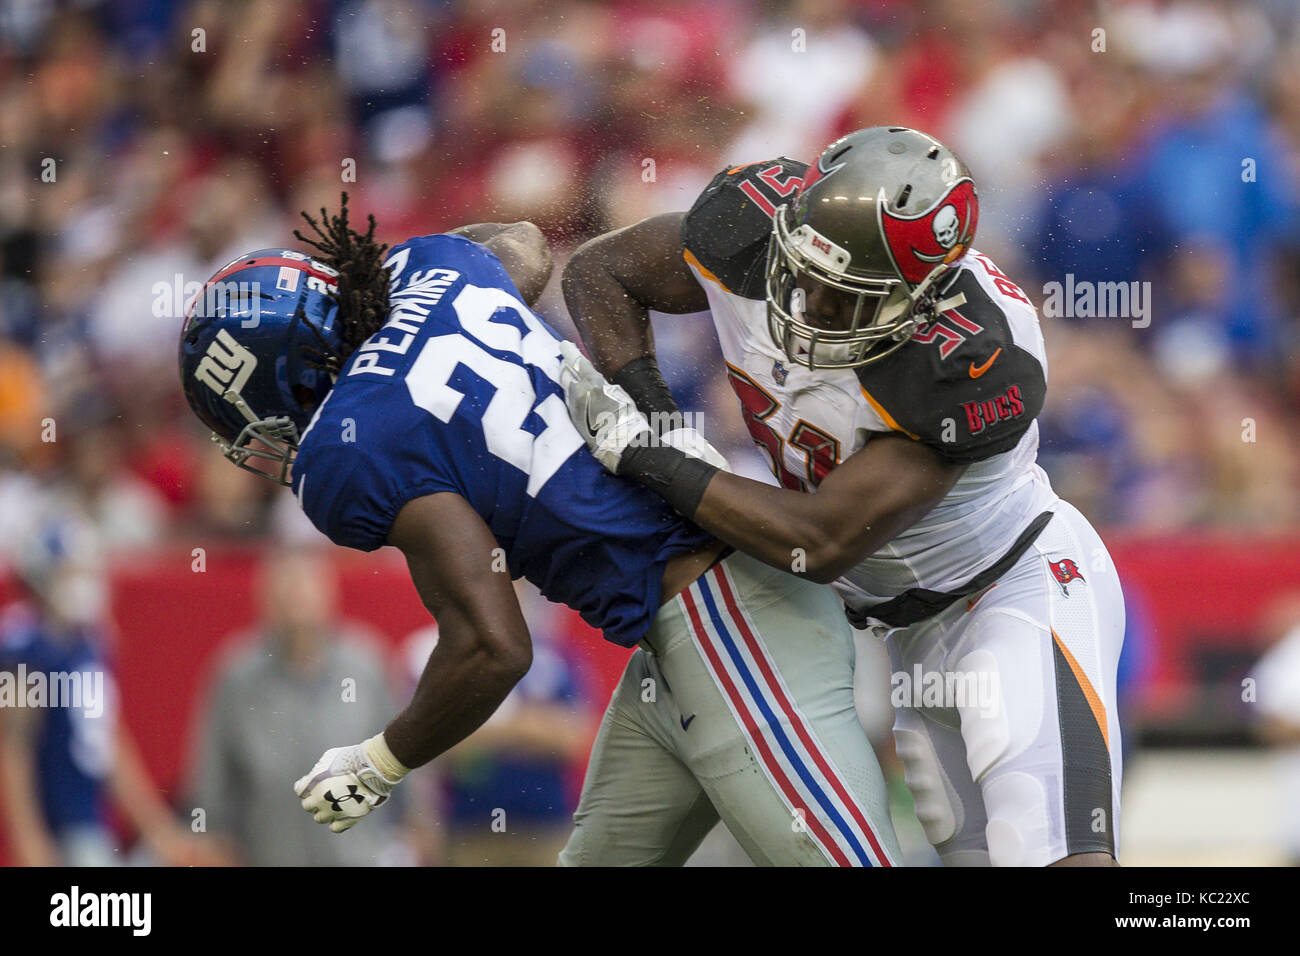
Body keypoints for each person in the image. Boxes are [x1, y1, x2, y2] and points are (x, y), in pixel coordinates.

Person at [176, 196, 900, 866]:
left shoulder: (346, 449)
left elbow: (492, 647)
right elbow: (520, 245)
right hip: (687, 625)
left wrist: (380, 761)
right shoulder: (437, 267)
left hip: (725, 622)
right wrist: (428, 308)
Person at [558, 126, 1127, 867]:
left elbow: (818, 543)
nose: (809, 298)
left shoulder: (970, 357)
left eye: (845, 293)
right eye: (803, 269)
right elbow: (600, 272)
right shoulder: (751, 223)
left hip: (1011, 593)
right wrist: (651, 409)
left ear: (923, 295)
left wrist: (651, 454)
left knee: (1051, 853)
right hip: (903, 629)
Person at [185, 548, 412, 866]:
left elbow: (405, 754)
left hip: (358, 855)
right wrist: (210, 833)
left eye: (304, 586)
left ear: (329, 595)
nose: (295, 598)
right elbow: (212, 769)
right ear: (263, 601)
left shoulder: (367, 665)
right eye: (285, 588)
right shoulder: (236, 676)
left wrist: (416, 822)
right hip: (270, 853)